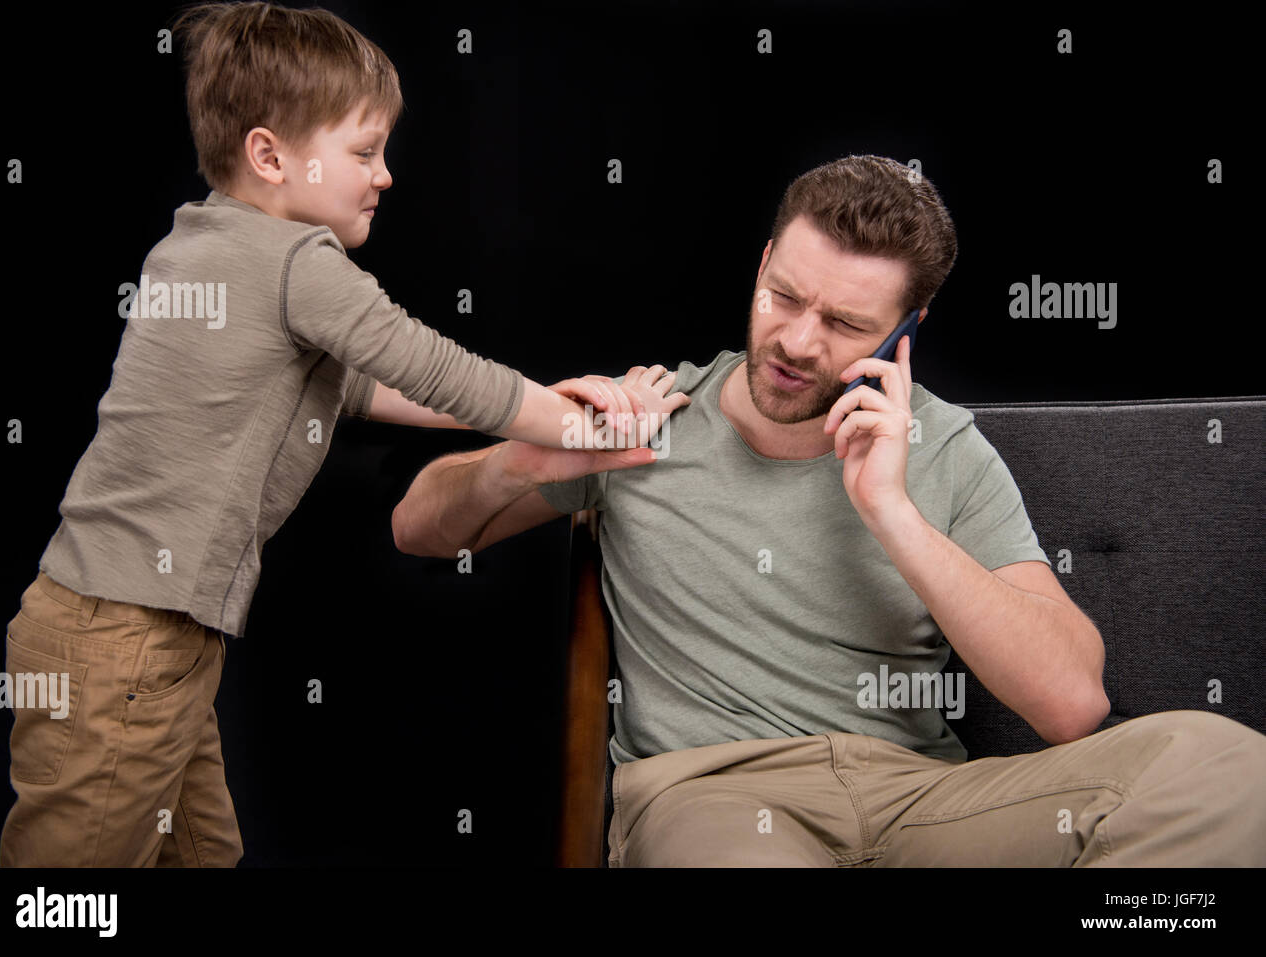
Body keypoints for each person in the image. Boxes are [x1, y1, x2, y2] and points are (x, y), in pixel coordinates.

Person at [392, 154, 1266, 866]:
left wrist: (893, 511)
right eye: (785, 298)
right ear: (764, 262)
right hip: (716, 798)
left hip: (919, 801)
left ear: (906, 328)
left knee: (1226, 770)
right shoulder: (652, 418)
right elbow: (422, 527)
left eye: (846, 323)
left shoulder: (945, 446)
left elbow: (1072, 705)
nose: (798, 342)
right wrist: (528, 455)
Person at [0, 1, 683, 867]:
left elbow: (362, 381)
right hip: (128, 643)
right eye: (365, 152)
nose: (386, 174)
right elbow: (429, 362)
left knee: (199, 856)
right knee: (67, 892)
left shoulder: (199, 241)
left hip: (121, 630)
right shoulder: (295, 263)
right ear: (269, 155)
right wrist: (596, 422)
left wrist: (551, 399)